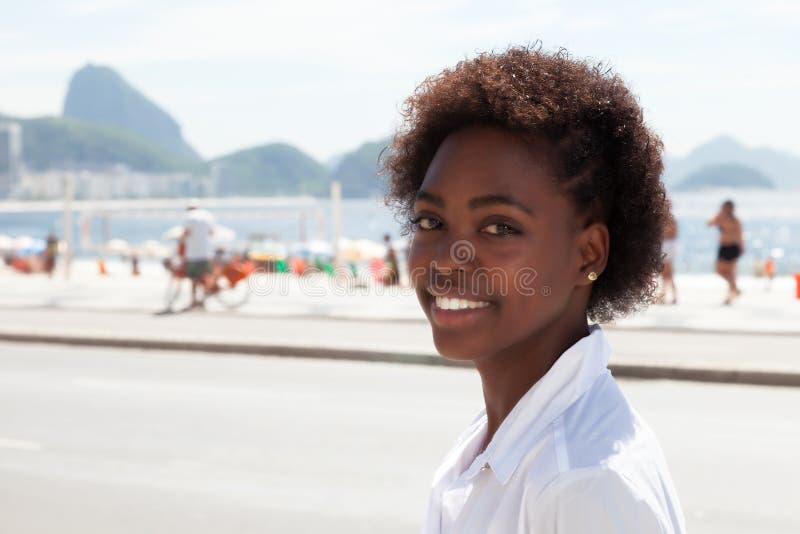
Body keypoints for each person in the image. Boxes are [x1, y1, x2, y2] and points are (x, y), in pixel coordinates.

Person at [384, 46, 684, 533]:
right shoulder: (497, 442)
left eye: (499, 228)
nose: (447, 258)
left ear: (587, 254)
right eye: (430, 220)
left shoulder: (581, 483)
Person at [707, 200, 744, 305]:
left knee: (731, 272)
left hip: (732, 247)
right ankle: (735, 288)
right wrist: (719, 214)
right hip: (723, 247)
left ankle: (729, 297)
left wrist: (741, 247)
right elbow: (709, 223)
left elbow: (740, 234)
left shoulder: (735, 220)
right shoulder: (721, 218)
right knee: (719, 270)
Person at [183, 202, 215, 309]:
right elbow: (212, 233)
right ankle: (204, 301)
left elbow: (186, 233)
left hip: (193, 253)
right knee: (205, 277)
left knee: (193, 279)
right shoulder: (207, 216)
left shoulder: (190, 217)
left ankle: (193, 301)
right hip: (206, 252)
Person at [658, 208, 678, 304]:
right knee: (666, 273)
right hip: (668, 245)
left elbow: (670, 233)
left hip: (668, 246)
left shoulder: (669, 220)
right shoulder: (670, 219)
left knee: (666, 272)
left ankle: (665, 296)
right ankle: (668, 295)